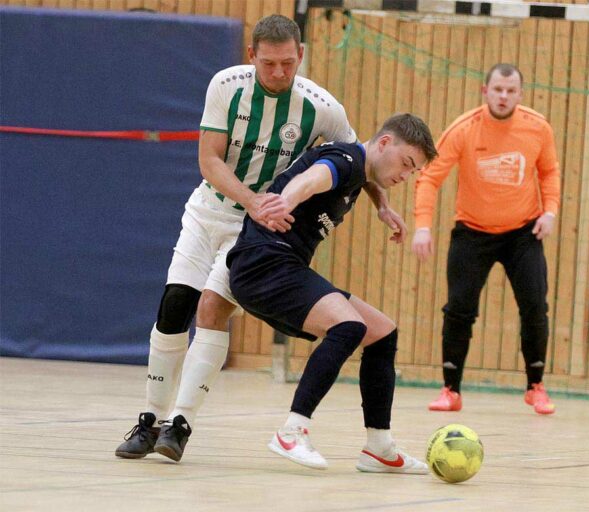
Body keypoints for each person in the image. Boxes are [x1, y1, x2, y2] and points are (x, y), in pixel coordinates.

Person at [116, 14, 406, 462]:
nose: (279, 73)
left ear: (301, 56)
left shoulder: (323, 107)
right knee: (174, 305)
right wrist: (252, 199)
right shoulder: (226, 86)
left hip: (257, 226)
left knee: (212, 308)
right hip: (214, 207)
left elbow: (358, 160)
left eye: (288, 63)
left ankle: (180, 423)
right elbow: (209, 161)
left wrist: (381, 202)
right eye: (269, 64)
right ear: (252, 56)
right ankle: (150, 419)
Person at [228, 113, 438, 472]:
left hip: (281, 268)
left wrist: (383, 205)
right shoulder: (346, 161)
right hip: (263, 265)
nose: (406, 175)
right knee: (348, 327)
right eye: (406, 163)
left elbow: (367, 176)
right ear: (385, 143)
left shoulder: (360, 169)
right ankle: (292, 431)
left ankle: (378, 447)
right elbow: (314, 178)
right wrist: (285, 201)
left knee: (381, 333)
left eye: (414, 171)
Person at [412, 63, 560, 415]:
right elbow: (430, 176)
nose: (504, 96)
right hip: (472, 233)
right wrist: (422, 225)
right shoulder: (465, 129)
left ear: (521, 95)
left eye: (511, 91)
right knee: (459, 311)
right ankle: (450, 390)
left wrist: (550, 211)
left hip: (523, 233)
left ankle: (535, 386)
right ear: (485, 91)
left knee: (535, 307)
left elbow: (549, 171)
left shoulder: (537, 127)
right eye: (498, 90)